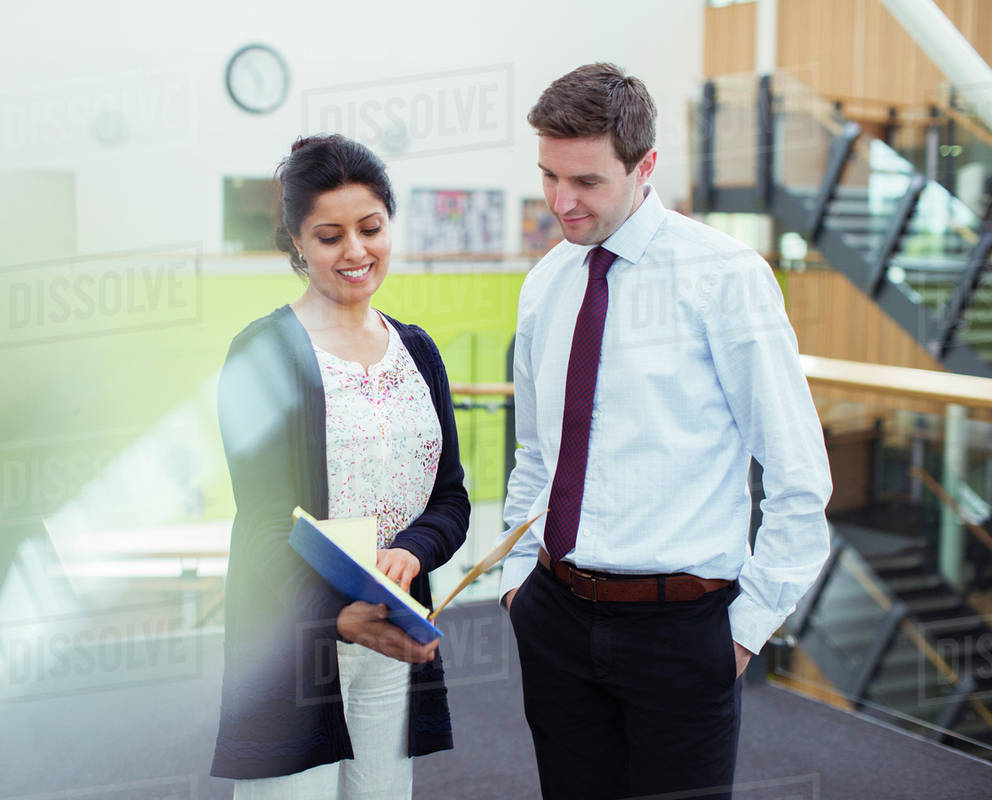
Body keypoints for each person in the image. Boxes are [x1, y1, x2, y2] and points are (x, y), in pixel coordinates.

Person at [499, 63, 833, 800]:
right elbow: (536, 454)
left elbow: (799, 475)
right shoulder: (546, 281)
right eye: (549, 176)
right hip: (554, 615)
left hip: (683, 630)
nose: (561, 201)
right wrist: (518, 581)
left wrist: (743, 631)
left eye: (586, 181)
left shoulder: (726, 277)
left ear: (645, 166)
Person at [210, 134, 470, 799]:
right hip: (293, 640)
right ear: (297, 243)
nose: (356, 251)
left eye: (371, 228)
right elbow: (264, 523)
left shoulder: (417, 352)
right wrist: (334, 616)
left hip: (389, 637)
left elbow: (450, 498)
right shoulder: (262, 354)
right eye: (330, 236)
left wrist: (412, 552)